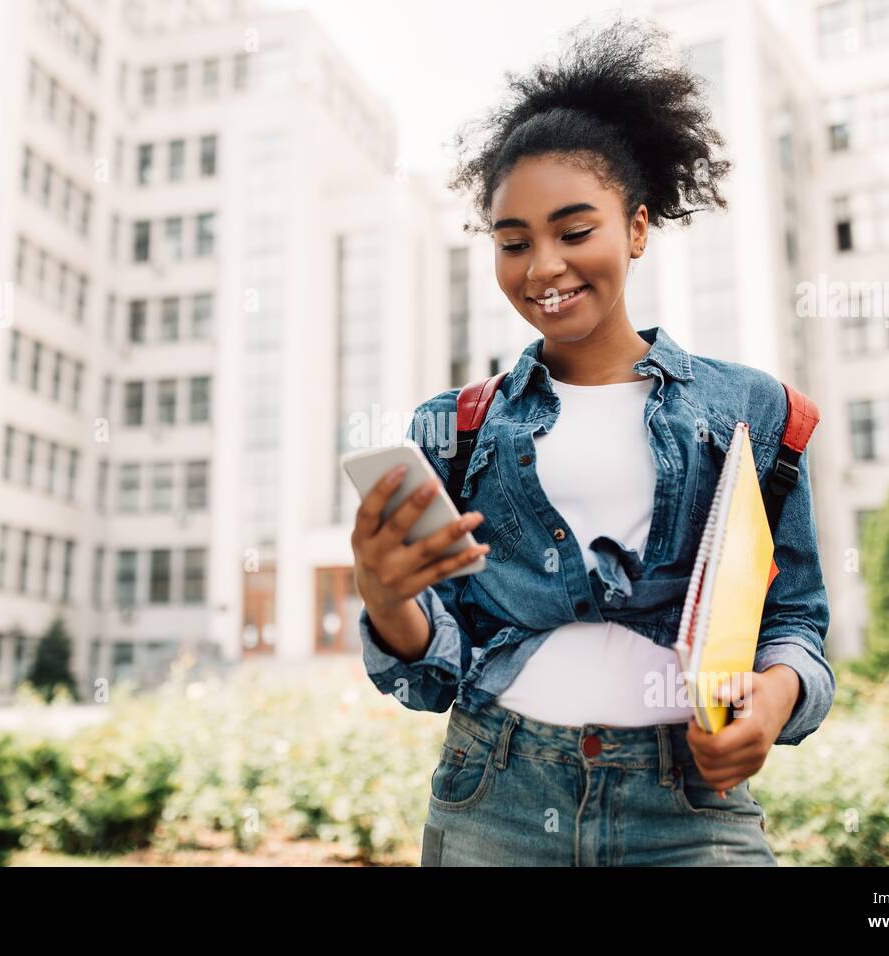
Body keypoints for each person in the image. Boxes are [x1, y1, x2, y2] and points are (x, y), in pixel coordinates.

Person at [350, 15, 834, 866]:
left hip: (688, 801)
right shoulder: (456, 427)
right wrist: (387, 602)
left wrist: (773, 700)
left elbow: (792, 617)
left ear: (637, 228)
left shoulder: (751, 411)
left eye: (575, 231)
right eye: (513, 242)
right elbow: (436, 669)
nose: (543, 267)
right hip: (493, 793)